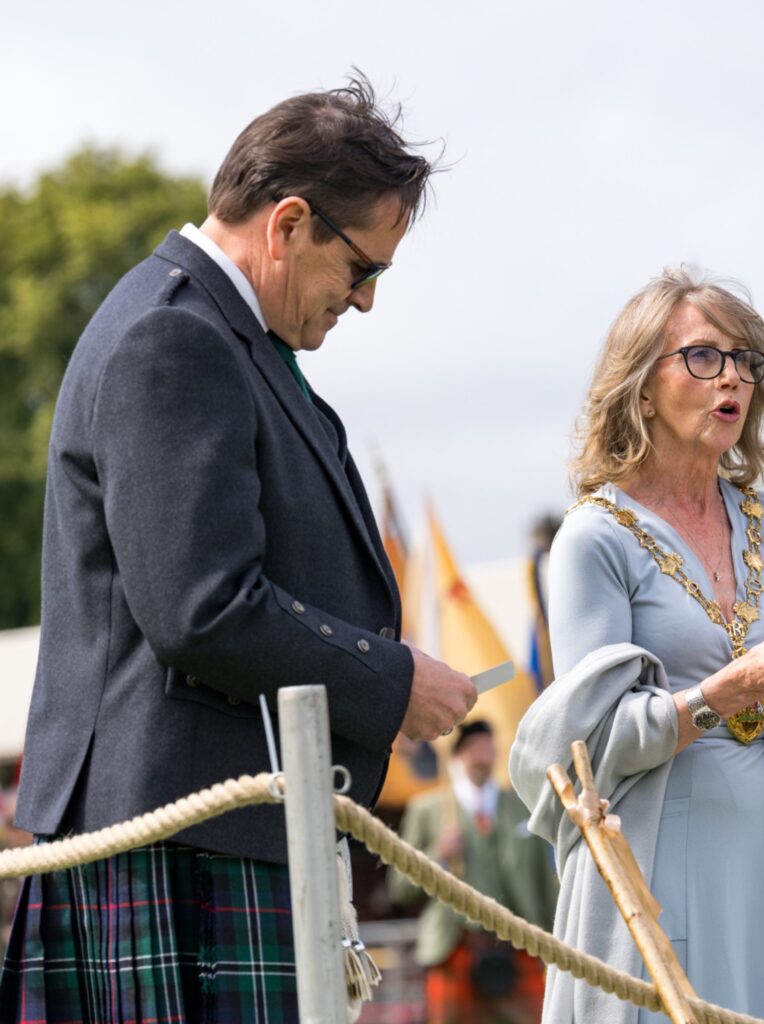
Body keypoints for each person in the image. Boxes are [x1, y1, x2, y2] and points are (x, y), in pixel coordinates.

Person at [1, 76, 478, 1021]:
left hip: (209, 830)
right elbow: (203, 608)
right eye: (362, 268)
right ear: (289, 223)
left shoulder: (224, 338)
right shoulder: (173, 337)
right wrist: (391, 679)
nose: (368, 300)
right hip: (177, 838)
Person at [509, 267, 764, 1024]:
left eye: (747, 360)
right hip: (658, 865)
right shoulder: (593, 538)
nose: (733, 377)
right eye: (704, 357)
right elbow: (585, 752)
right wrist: (724, 690)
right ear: (639, 387)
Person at [390, 721, 557, 1024]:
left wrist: (557, 940)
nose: (482, 757)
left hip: (519, 946)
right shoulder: (428, 810)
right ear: (458, 757)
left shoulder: (522, 809)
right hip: (456, 949)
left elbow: (545, 882)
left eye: (488, 749)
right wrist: (438, 855)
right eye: (474, 749)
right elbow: (399, 888)